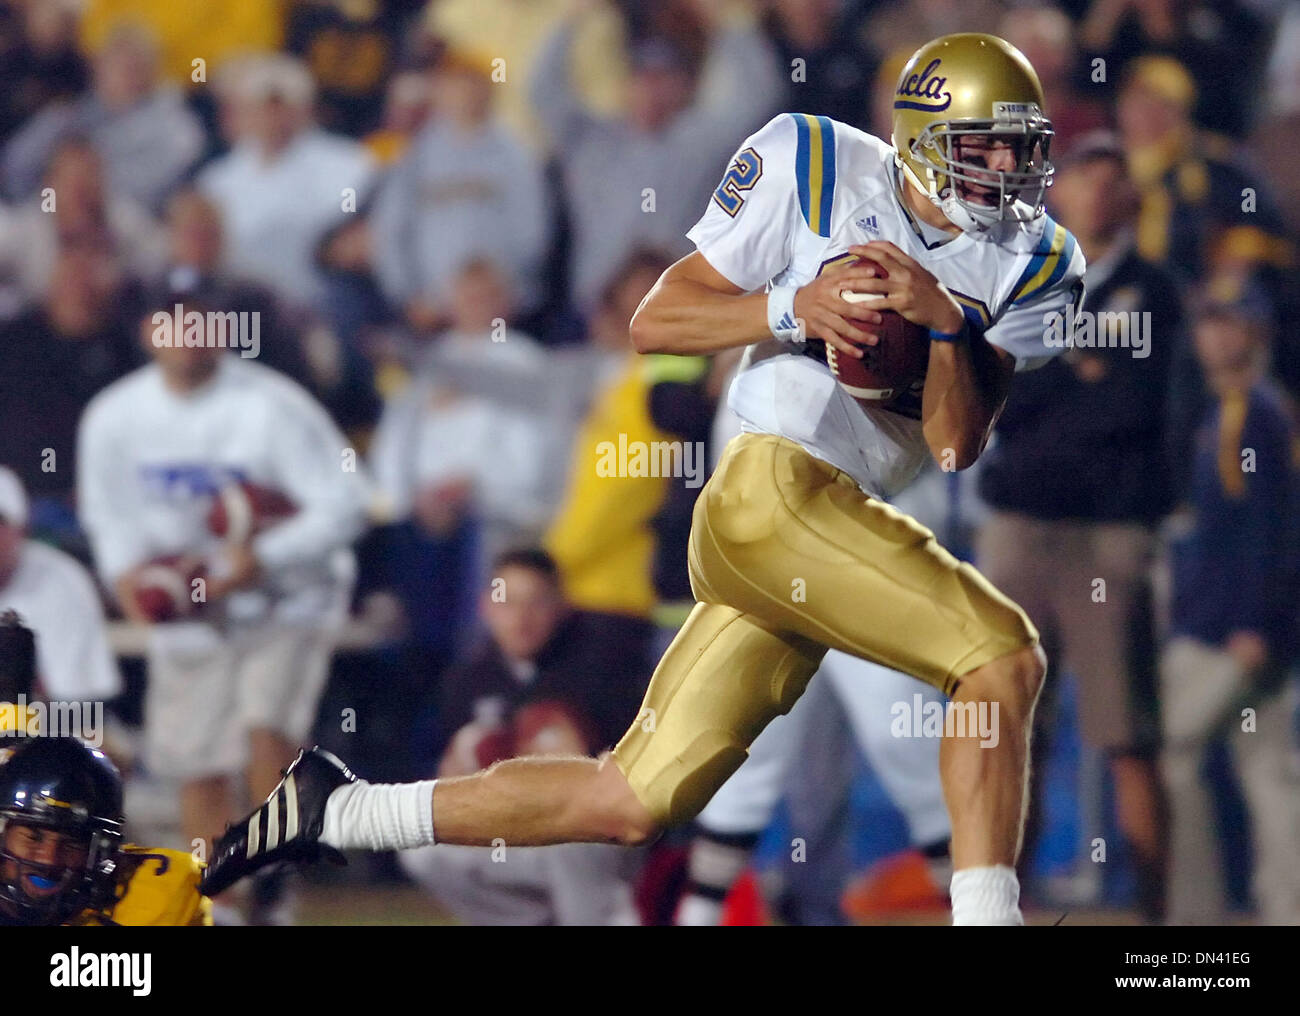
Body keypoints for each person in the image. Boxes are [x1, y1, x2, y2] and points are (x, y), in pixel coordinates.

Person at [202, 33, 1082, 928]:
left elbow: (954, 443)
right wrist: (794, 305)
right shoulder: (813, 162)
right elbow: (657, 320)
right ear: (923, 137)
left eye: (1021, 147)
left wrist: (944, 326)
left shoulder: (1040, 262)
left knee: (627, 798)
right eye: (984, 146)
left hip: (827, 529)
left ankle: (340, 809)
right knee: (1000, 656)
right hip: (770, 488)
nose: (1006, 168)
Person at [77, 293, 371, 920]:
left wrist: (263, 555)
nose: (188, 334)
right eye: (173, 321)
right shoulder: (114, 415)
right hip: (190, 609)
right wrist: (129, 578)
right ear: (148, 331)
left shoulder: (271, 406)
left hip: (286, 600)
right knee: (198, 760)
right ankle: (222, 901)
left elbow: (347, 501)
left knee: (267, 731)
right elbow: (108, 515)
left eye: (200, 321)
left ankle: (273, 884)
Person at [975, 132, 1181, 920]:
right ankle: (1005, 908)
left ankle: (1155, 920)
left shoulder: (1153, 291)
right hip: (1020, 526)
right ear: (1058, 192)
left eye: (1111, 177)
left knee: (1126, 733)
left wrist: (1052, 374)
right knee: (1009, 727)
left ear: (1131, 196)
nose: (1095, 192)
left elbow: (1134, 409)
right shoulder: (1022, 277)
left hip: (1107, 533)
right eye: (1083, 176)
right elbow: (997, 394)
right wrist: (1076, 374)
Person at [398, 548, 644, 925]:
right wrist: (468, 768)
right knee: (422, 850)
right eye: (507, 602)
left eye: (536, 602)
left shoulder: (601, 668)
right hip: (513, 833)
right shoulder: (469, 679)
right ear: (486, 607)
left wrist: (571, 766)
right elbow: (450, 782)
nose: (521, 618)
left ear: (562, 606)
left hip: (594, 834)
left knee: (574, 838)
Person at [1160, 302, 1300, 925]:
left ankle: (1196, 915)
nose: (1214, 335)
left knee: (1173, 754)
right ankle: (1285, 910)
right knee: (1269, 771)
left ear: (1255, 332)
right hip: (1255, 627)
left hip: (1228, 631)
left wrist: (1253, 622)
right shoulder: (1238, 408)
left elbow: (1273, 529)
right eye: (1208, 321)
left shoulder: (1256, 414)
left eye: (1230, 321)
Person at [0, 733, 209, 926]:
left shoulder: (156, 893)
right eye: (34, 837)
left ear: (102, 850)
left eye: (72, 843)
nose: (49, 859)